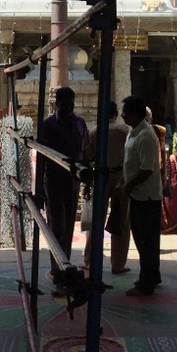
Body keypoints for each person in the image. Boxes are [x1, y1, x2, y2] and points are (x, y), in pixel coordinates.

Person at [42, 86, 89, 287]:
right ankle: (57, 267)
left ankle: (66, 263)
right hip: (53, 180)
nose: (68, 107)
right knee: (56, 225)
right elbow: (42, 155)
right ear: (57, 104)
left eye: (71, 104)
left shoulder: (80, 123)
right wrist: (38, 190)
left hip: (73, 181)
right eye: (64, 104)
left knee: (69, 223)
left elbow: (85, 151)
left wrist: (87, 177)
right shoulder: (48, 125)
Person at [117, 95, 162, 296]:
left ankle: (147, 282)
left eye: (126, 112)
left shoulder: (145, 136)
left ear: (136, 114)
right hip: (138, 193)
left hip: (147, 196)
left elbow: (146, 169)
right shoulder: (133, 132)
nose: (122, 115)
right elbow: (131, 162)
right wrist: (123, 180)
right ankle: (152, 275)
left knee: (146, 240)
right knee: (143, 238)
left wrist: (128, 185)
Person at [83, 101, 130, 274]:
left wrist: (87, 184)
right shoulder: (124, 131)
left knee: (96, 221)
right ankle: (118, 264)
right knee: (121, 221)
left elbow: (88, 157)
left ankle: (90, 261)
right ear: (116, 114)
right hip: (121, 177)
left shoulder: (94, 131)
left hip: (100, 177)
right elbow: (130, 158)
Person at [161, 133, 177, 234]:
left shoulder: (160, 158)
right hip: (174, 184)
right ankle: (175, 225)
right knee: (174, 205)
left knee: (165, 204)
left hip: (165, 184)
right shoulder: (174, 157)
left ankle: (165, 226)